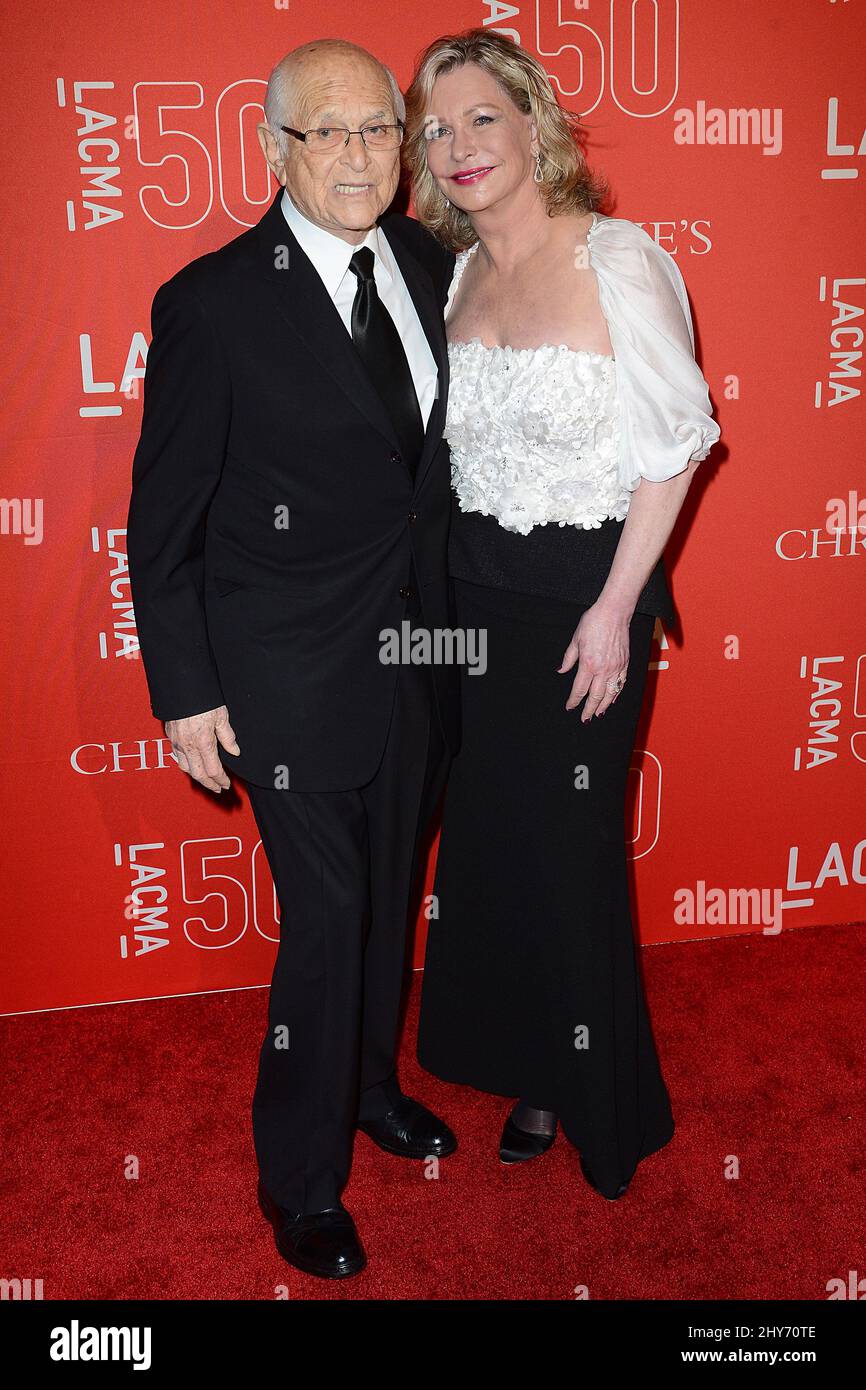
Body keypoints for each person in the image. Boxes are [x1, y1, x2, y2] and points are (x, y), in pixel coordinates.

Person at [126, 38, 461, 1279]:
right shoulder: (214, 301)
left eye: (382, 128)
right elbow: (161, 523)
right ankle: (300, 1177)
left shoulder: (431, 262)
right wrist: (185, 689)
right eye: (332, 133)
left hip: (419, 652)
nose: (365, 156)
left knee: (382, 900)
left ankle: (372, 1089)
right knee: (325, 916)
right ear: (275, 151)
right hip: (281, 669)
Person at [404, 28, 721, 1201]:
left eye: (480, 116)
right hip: (470, 605)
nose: (457, 145)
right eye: (436, 130)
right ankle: (521, 1060)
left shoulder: (617, 259)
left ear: (534, 124)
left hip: (583, 599)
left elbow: (673, 448)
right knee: (490, 846)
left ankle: (599, 1101)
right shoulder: (458, 274)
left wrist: (615, 611)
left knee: (571, 854)